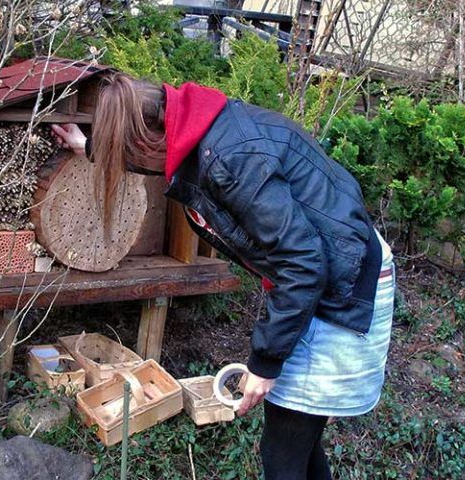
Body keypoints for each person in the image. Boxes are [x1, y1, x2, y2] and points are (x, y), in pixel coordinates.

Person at [52, 73, 395, 480]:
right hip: (328, 273)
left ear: (148, 138)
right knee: (298, 441)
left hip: (341, 284)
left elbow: (303, 262)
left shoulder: (232, 159)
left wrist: (265, 364)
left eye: (126, 150)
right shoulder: (194, 126)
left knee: (282, 453)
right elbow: (149, 153)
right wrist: (89, 146)